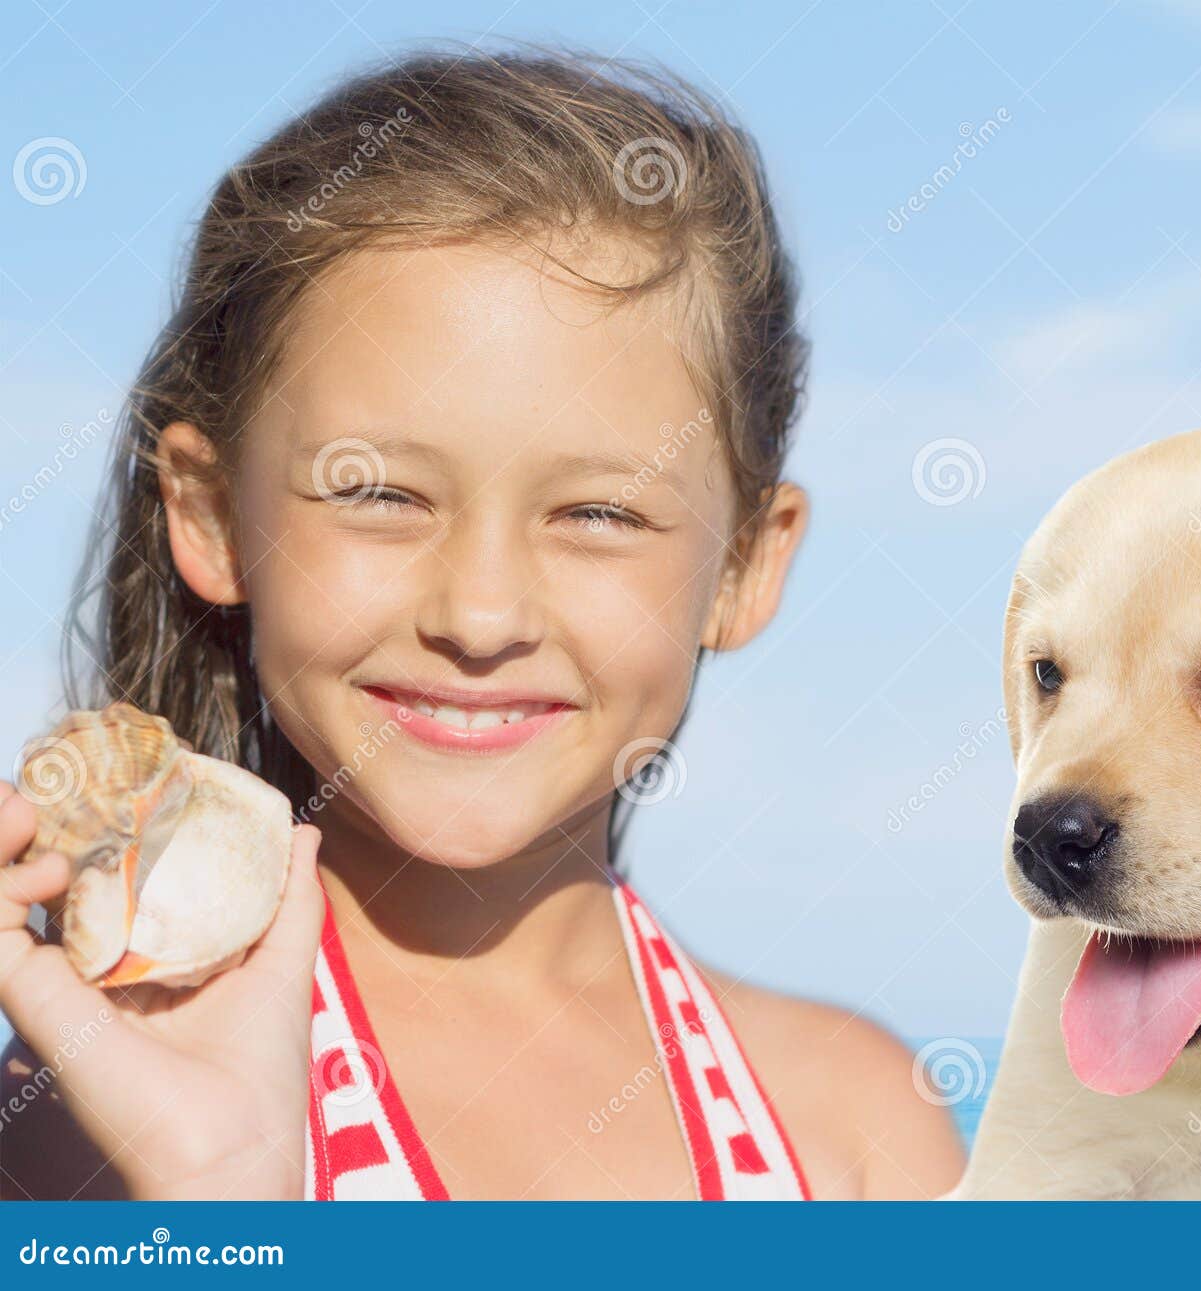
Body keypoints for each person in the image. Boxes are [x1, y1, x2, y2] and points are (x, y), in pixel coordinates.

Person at [0, 47, 966, 1201]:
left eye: (600, 511)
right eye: (377, 494)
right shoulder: (96, 1115)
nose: (482, 614)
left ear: (745, 565)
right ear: (210, 514)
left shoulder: (857, 1129)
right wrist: (220, 1197)